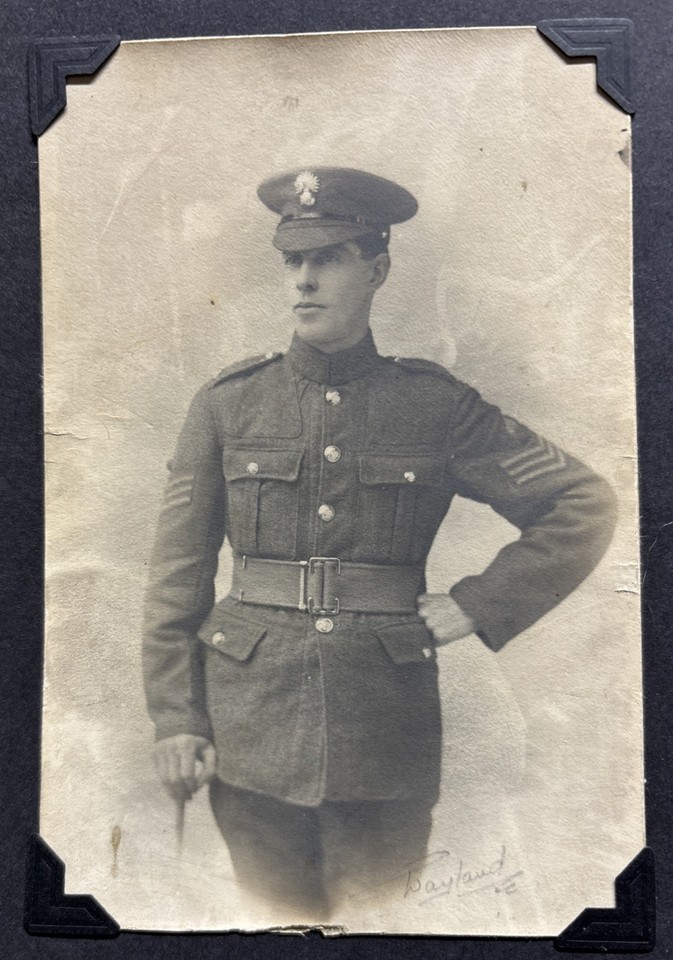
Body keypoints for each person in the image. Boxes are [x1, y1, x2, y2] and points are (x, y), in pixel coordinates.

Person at [142, 167, 617, 919]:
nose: (303, 280)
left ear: (377, 269)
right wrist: (176, 717)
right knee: (270, 924)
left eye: (327, 258)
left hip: (383, 735)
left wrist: (479, 603)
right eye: (293, 261)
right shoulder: (228, 405)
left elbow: (581, 500)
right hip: (248, 730)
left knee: (384, 927)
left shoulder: (433, 407)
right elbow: (177, 576)